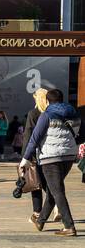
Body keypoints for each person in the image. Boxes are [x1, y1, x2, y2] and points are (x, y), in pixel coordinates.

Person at [20, 88, 79, 237]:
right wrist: (70, 143)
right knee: (54, 190)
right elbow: (82, 134)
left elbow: (35, 137)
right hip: (69, 156)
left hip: (50, 158)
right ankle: (41, 220)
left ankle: (69, 226)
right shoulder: (73, 113)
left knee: (57, 191)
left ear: (47, 101)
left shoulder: (46, 115)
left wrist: (25, 159)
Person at [24, 89, 49, 226]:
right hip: (51, 153)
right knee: (49, 183)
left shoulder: (33, 114)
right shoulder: (52, 113)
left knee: (35, 183)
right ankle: (57, 206)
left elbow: (28, 135)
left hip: (35, 153)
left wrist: (25, 156)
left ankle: (37, 212)